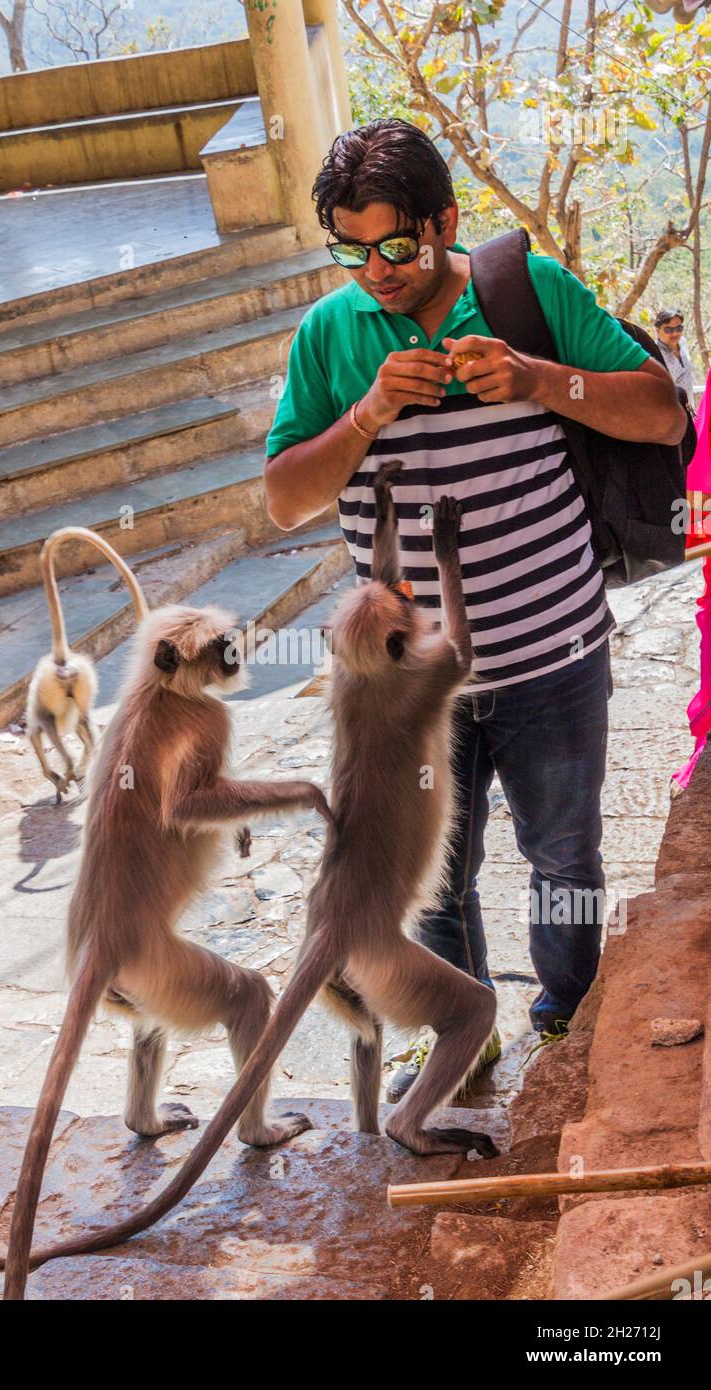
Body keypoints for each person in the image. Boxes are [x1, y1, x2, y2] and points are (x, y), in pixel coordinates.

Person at [263, 119, 684, 1102]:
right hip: (410, 687)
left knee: (564, 853)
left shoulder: (526, 293)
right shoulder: (330, 334)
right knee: (432, 874)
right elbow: (284, 496)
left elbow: (660, 412)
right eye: (351, 249)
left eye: (396, 246)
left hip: (552, 651)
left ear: (444, 221)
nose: (376, 270)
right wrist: (365, 413)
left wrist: (539, 379)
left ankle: (567, 1020)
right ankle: (461, 1030)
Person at [655, 308, 696, 413]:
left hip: (690, 408)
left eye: (679, 328)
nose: (675, 333)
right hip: (671, 412)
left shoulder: (683, 342)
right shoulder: (654, 352)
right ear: (657, 330)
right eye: (669, 330)